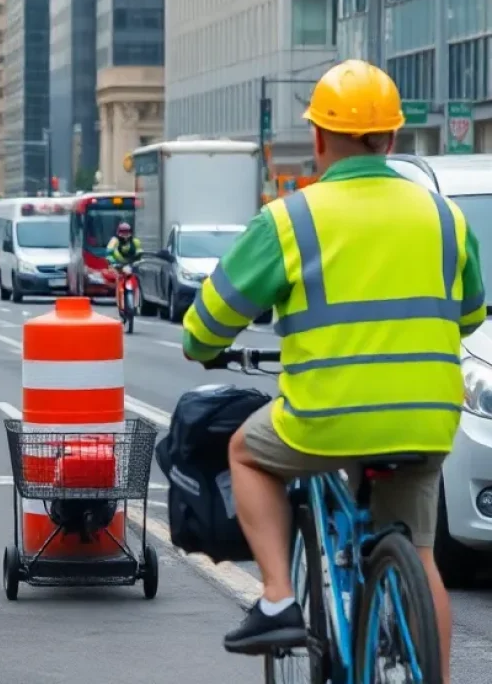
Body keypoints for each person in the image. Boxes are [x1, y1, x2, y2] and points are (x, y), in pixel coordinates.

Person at [182, 60, 483, 681]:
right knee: (422, 557)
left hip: (323, 419)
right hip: (425, 419)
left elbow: (204, 327)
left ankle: (276, 596)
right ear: (393, 139)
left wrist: (209, 346)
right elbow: (473, 314)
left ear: (318, 139)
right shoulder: (445, 218)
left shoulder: (291, 218)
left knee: (246, 451)